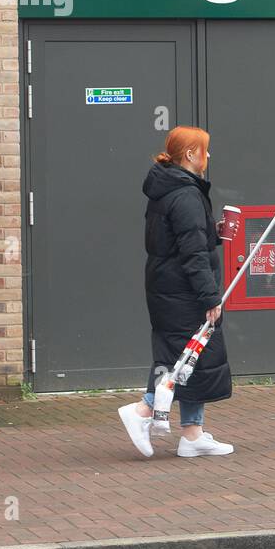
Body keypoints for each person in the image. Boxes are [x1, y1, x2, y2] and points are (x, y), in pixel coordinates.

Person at [118, 126, 235, 457]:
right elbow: (192, 255)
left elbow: (181, 239)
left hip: (166, 285)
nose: (209, 156)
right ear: (190, 155)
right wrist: (210, 298)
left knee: (192, 355)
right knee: (185, 356)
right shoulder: (184, 194)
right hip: (181, 291)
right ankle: (142, 410)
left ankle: (192, 434)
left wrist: (213, 232)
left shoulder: (171, 188)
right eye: (205, 150)